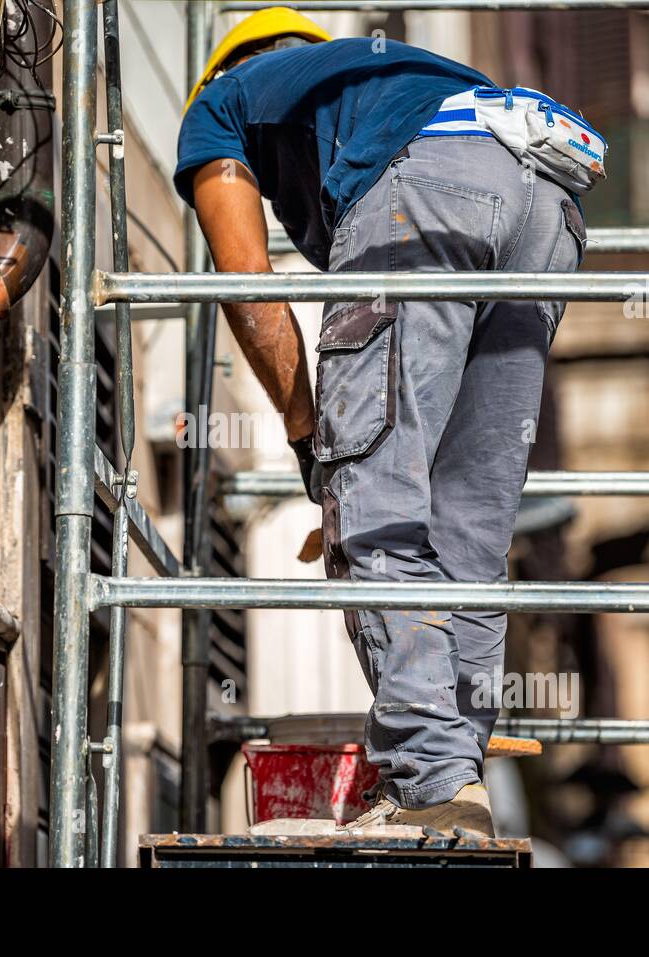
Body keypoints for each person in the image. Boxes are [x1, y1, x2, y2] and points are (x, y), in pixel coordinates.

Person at [174, 8, 591, 836]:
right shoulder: (383, 78)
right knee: (467, 531)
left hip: (428, 196)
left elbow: (250, 291)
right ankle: (453, 788)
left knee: (377, 508)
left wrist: (313, 447)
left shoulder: (222, 103)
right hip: (549, 208)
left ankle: (429, 777)